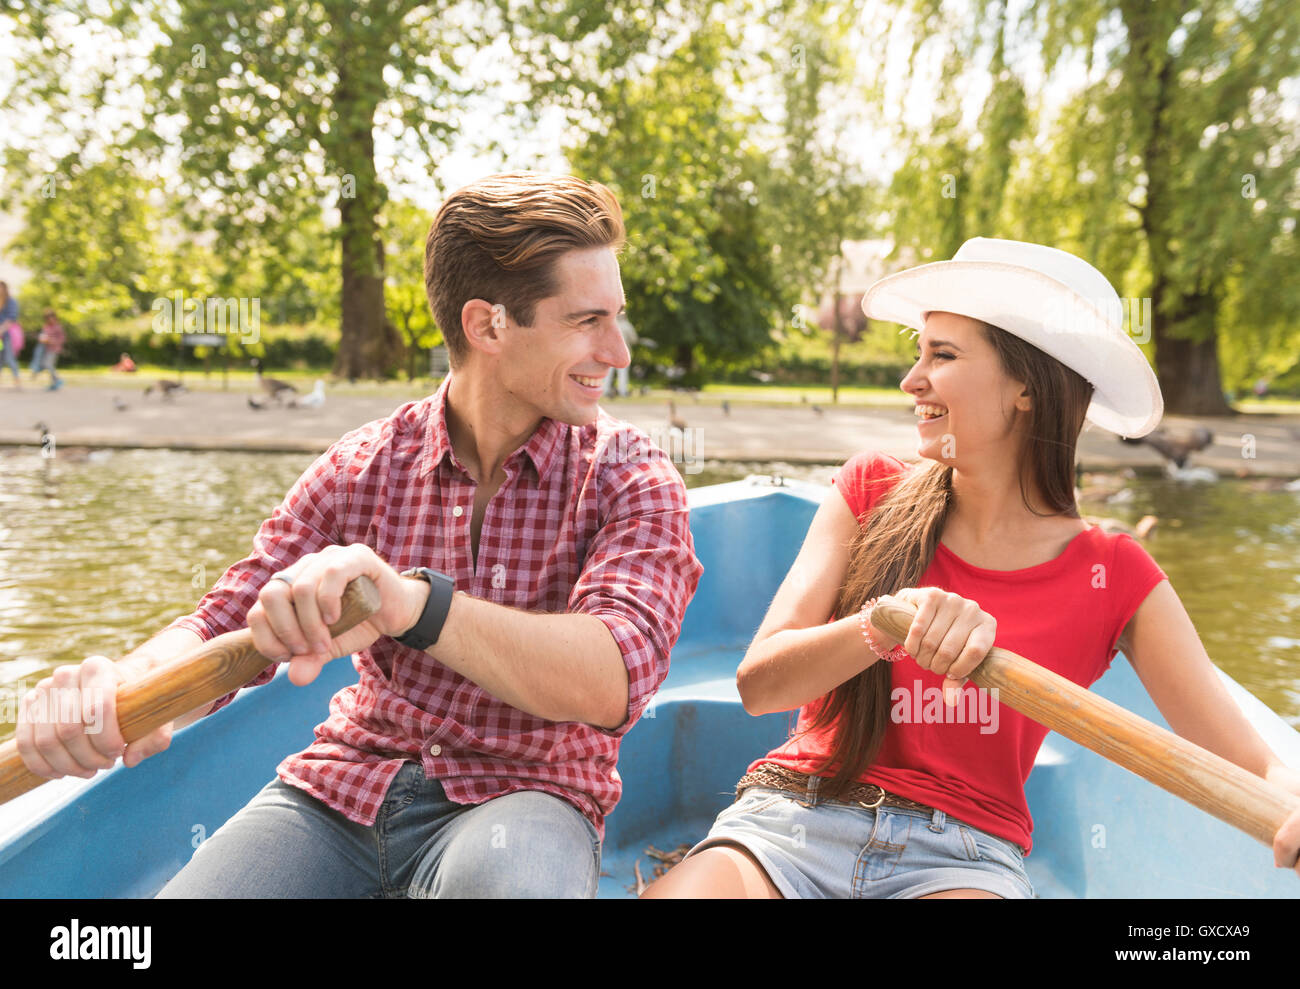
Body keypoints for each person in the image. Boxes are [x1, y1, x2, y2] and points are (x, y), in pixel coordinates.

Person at [16, 172, 704, 899]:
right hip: (345, 786)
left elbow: (611, 681)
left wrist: (411, 605)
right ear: (488, 325)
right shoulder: (362, 463)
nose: (618, 351)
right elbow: (221, 621)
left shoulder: (633, 473)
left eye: (614, 317)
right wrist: (118, 690)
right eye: (587, 320)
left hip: (525, 795)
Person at [643, 237, 1300, 899]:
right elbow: (760, 684)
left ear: (1025, 387)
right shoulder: (869, 487)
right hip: (795, 817)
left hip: (963, 857)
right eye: (918, 351)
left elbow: (1248, 759)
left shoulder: (1115, 573)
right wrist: (883, 625)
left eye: (943, 355)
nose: (911, 379)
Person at [33, 309, 65, 390]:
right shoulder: (46, 327)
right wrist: (42, 339)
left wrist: (52, 341)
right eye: (48, 319)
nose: (50, 320)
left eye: (52, 318)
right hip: (46, 349)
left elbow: (62, 339)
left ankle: (57, 379)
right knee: (45, 364)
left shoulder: (58, 327)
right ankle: (54, 382)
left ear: (55, 318)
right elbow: (42, 336)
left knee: (48, 364)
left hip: (54, 349)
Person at [0, 282, 21, 388]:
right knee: (0, 358)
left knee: (9, 357)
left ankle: (17, 378)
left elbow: (11, 318)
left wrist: (1, 330)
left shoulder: (11, 302)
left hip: (8, 335)